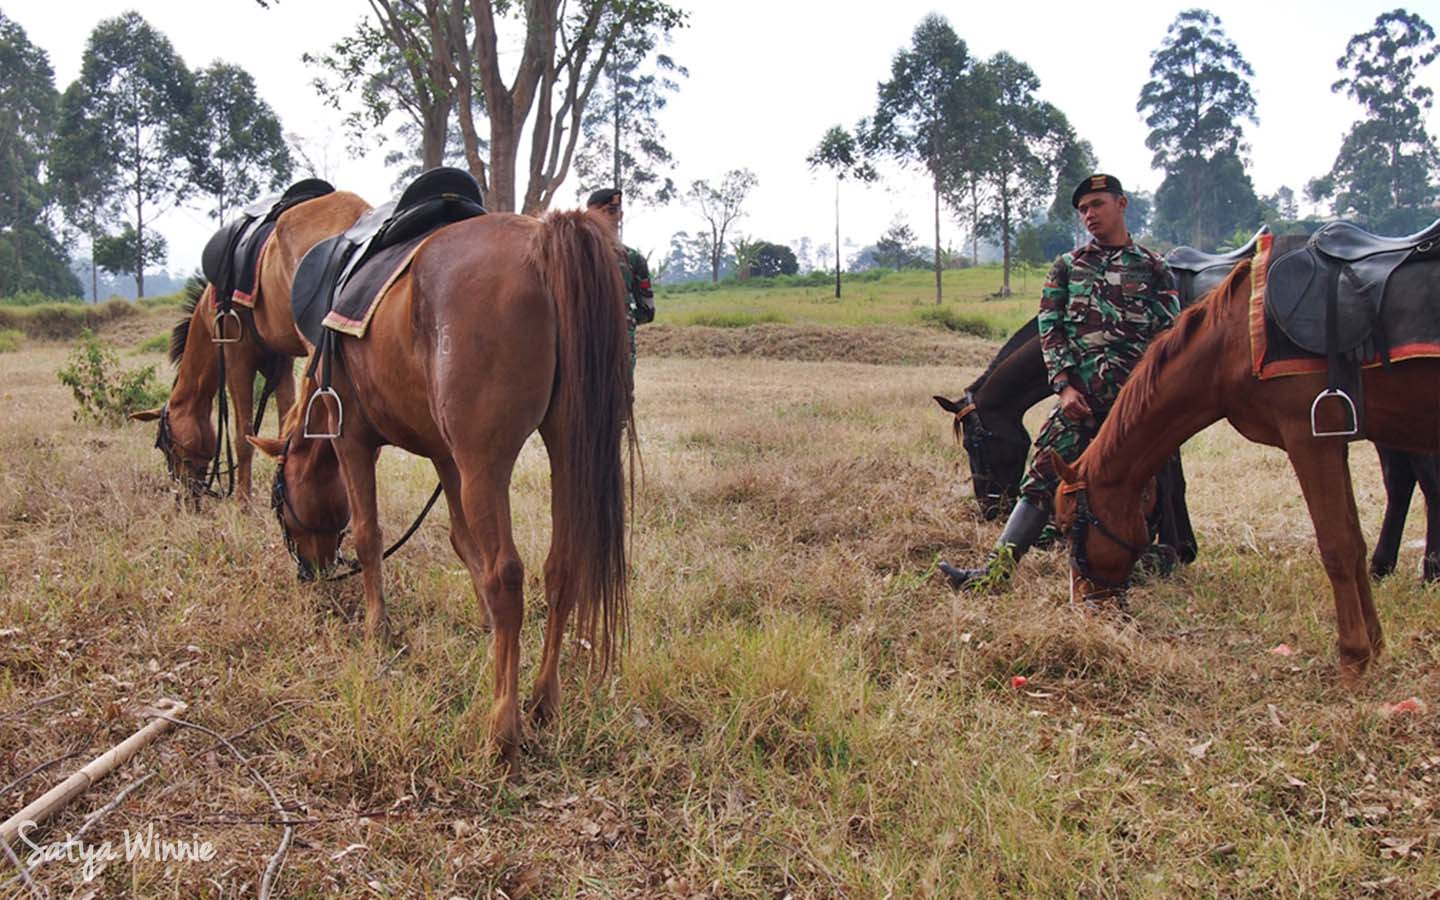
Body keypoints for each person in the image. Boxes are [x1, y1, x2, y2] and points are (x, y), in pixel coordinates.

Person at [939, 174, 1181, 590]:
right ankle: (996, 573)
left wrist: (1153, 397)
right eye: (1083, 209)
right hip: (1078, 403)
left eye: (1097, 205)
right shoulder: (1067, 267)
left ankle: (1145, 561)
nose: (1089, 215)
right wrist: (1064, 387)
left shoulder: (1154, 267)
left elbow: (1170, 337)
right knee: (1040, 479)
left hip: (1134, 404)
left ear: (1121, 204)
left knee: (1147, 480)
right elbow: (1050, 334)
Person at [585, 188, 655, 374]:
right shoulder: (574, 258)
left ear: (621, 215)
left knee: (621, 398)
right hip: (583, 345)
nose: (606, 218)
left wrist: (623, 320)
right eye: (601, 213)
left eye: (612, 211)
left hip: (618, 347)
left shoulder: (633, 260)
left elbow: (648, 311)